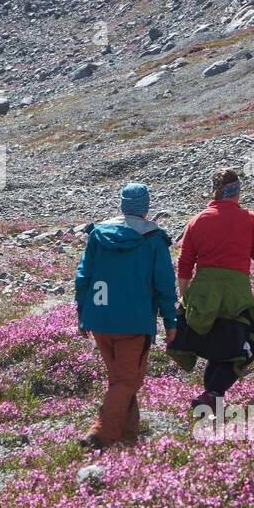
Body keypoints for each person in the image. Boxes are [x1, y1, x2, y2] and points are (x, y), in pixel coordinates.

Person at [74, 183, 177, 451]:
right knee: (127, 381)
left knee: (120, 379)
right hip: (134, 321)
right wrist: (170, 322)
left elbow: (83, 275)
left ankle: (128, 438)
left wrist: (82, 313)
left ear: (122, 204)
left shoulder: (98, 233)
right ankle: (100, 433)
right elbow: (165, 284)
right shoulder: (154, 239)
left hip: (99, 319)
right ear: (146, 206)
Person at [169, 168, 254, 414]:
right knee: (243, 342)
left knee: (216, 340)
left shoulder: (197, 220)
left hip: (203, 290)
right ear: (236, 191)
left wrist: (185, 297)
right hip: (236, 292)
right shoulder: (249, 219)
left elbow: (184, 263)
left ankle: (211, 398)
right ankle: (213, 394)